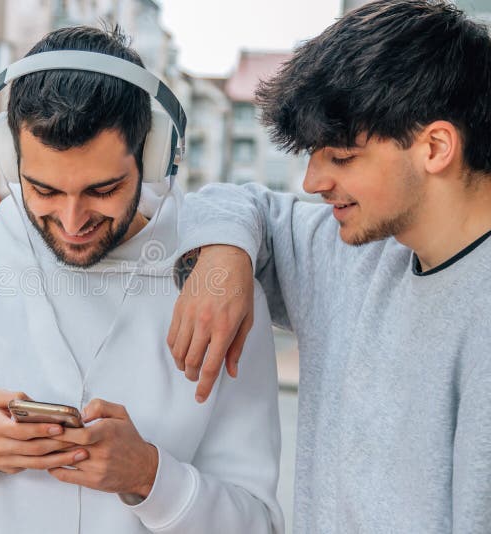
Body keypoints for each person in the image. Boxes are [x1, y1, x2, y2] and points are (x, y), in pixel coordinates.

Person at [0, 26, 284, 533]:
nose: (73, 221)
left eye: (103, 189)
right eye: (44, 190)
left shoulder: (217, 289)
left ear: (154, 155)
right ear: (10, 159)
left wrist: (150, 477)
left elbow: (258, 524)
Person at [167, 1, 491, 532]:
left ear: (435, 146)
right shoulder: (357, 253)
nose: (312, 182)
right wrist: (223, 261)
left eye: (341, 158)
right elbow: (239, 203)